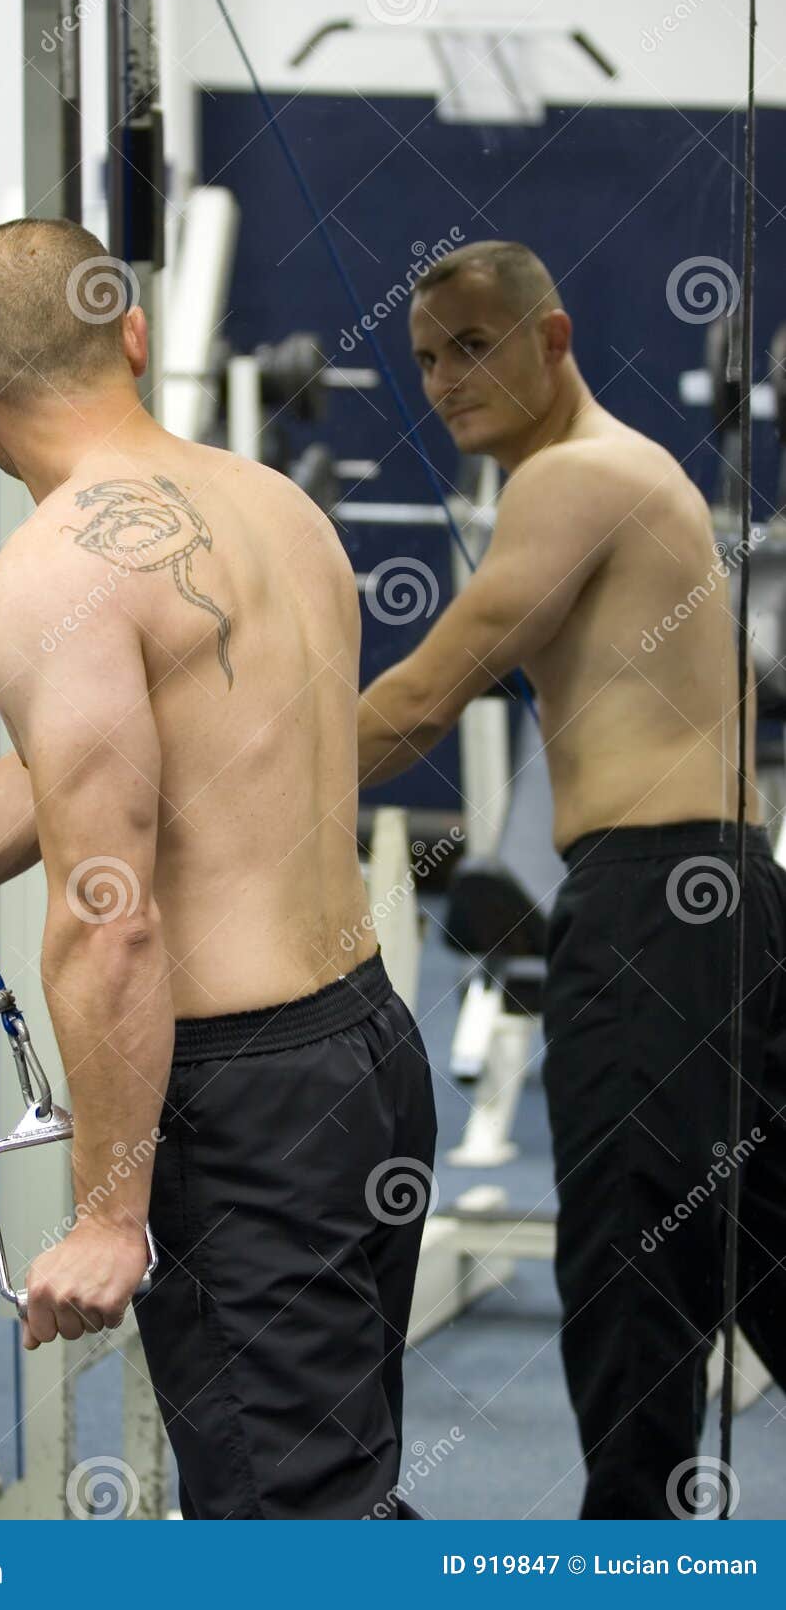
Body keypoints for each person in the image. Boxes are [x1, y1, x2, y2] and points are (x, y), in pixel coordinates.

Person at [0, 217, 435, 1520]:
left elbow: (105, 917)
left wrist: (112, 1209)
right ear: (131, 331)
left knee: (293, 1527)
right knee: (338, 1476)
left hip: (242, 1104)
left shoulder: (50, 572)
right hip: (365, 1048)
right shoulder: (280, 509)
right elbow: (66, 781)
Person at [356, 239, 786, 1519]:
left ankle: (627, 1553)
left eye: (474, 345)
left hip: (657, 900)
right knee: (752, 1245)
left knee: (628, 1261)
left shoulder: (574, 476)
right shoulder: (621, 473)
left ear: (550, 340)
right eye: (425, 355)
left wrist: (220, 785)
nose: (443, 377)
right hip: (722, 894)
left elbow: (425, 696)